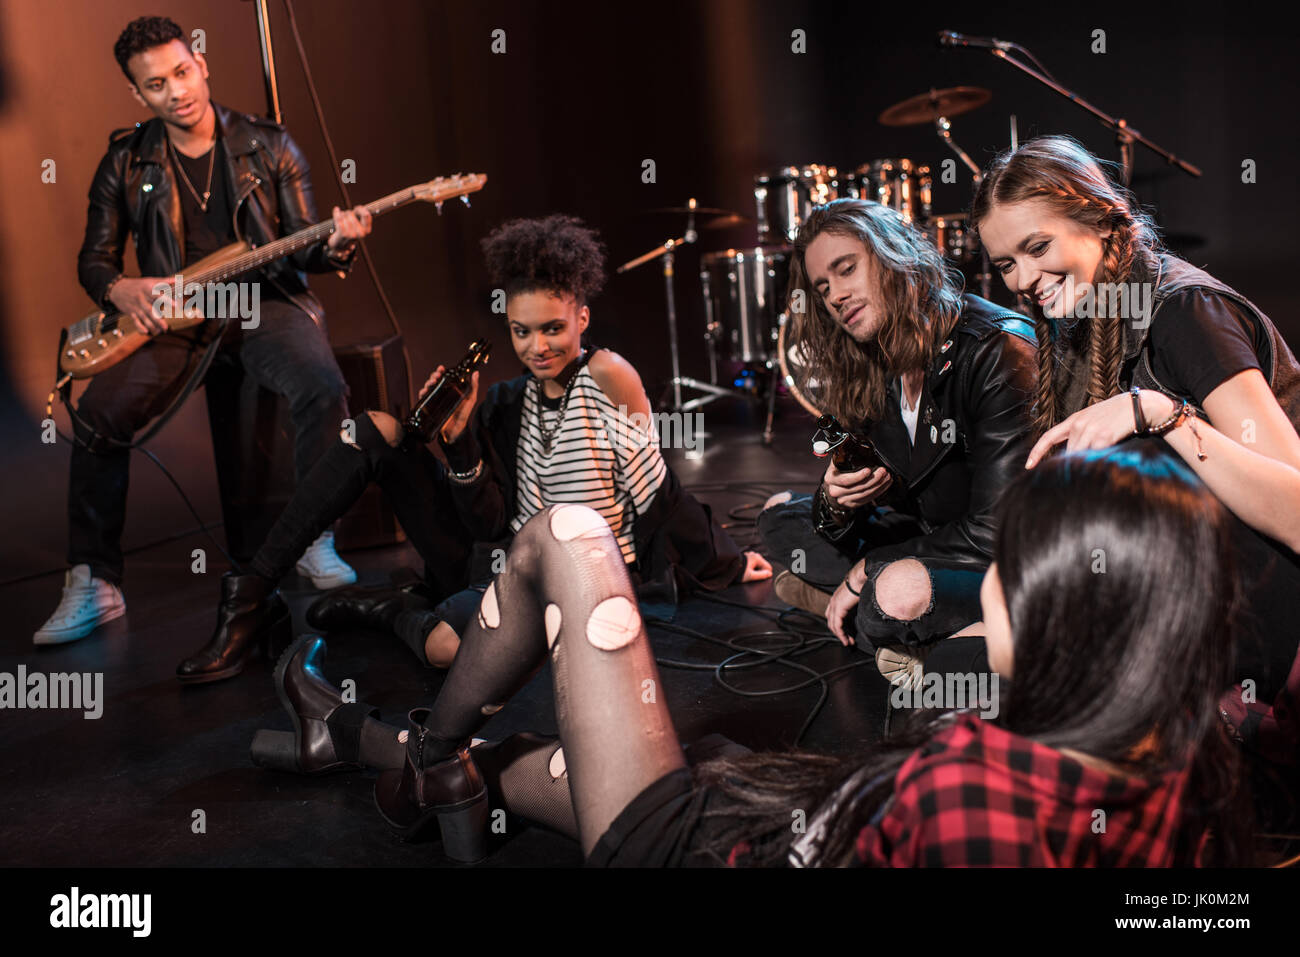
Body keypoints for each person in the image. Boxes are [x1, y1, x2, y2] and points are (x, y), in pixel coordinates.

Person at [255, 445, 1252, 866]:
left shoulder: (976, 805)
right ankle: (364, 743)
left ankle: (418, 743)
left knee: (566, 537)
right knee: (516, 773)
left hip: (700, 850)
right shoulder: (1188, 743)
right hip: (779, 817)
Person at [182, 214, 770, 684]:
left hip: (578, 580)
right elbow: (489, 524)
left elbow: (655, 490)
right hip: (504, 565)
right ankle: (252, 594)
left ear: (582, 318)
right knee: (375, 429)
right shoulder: (506, 403)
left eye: (552, 328)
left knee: (445, 650)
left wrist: (727, 560)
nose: (537, 346)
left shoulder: (609, 374)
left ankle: (385, 611)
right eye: (521, 331)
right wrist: (461, 440)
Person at [36, 16, 368, 647]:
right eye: (156, 84)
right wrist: (123, 289)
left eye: (183, 72)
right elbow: (94, 260)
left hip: (263, 301)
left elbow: (305, 251)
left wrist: (340, 243)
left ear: (203, 64)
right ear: (138, 95)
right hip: (177, 317)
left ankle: (313, 538)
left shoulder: (270, 146)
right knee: (99, 414)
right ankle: (94, 580)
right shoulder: (126, 161)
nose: (177, 92)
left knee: (323, 386)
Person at [970, 135, 1300, 730]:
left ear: (1096, 218)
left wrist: (1160, 414)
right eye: (1005, 264)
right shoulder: (1080, 319)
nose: (1022, 279)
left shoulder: (1184, 312)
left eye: (1036, 246)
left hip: (1258, 623)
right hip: (1172, 613)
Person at [755, 198, 1037, 678]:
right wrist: (836, 504)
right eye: (823, 288)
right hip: (929, 542)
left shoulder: (997, 350)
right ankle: (913, 632)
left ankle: (880, 620)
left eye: (847, 270)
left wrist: (868, 569)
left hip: (1005, 560)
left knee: (894, 590)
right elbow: (879, 506)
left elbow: (998, 531)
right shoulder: (870, 362)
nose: (836, 295)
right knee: (779, 516)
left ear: (894, 255)